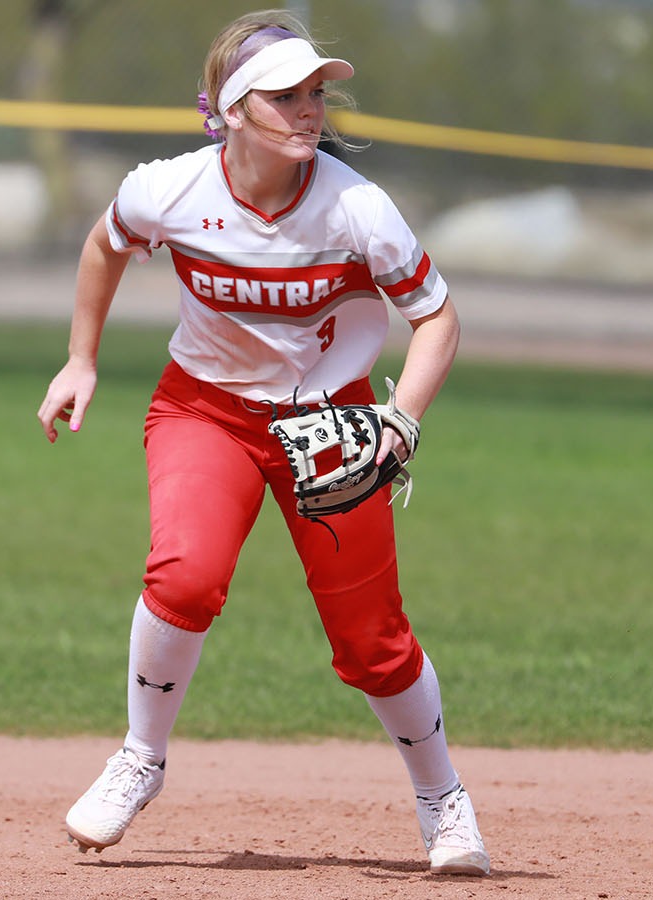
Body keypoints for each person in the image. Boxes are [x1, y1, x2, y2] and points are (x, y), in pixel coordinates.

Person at [35, 9, 488, 877]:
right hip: (203, 412)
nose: (310, 109)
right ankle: (139, 759)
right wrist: (80, 358)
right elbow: (105, 245)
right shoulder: (170, 189)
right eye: (285, 95)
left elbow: (437, 317)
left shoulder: (357, 207)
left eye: (316, 91)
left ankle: (442, 798)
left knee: (370, 641)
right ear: (231, 109)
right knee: (185, 576)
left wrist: (403, 420)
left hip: (331, 425)